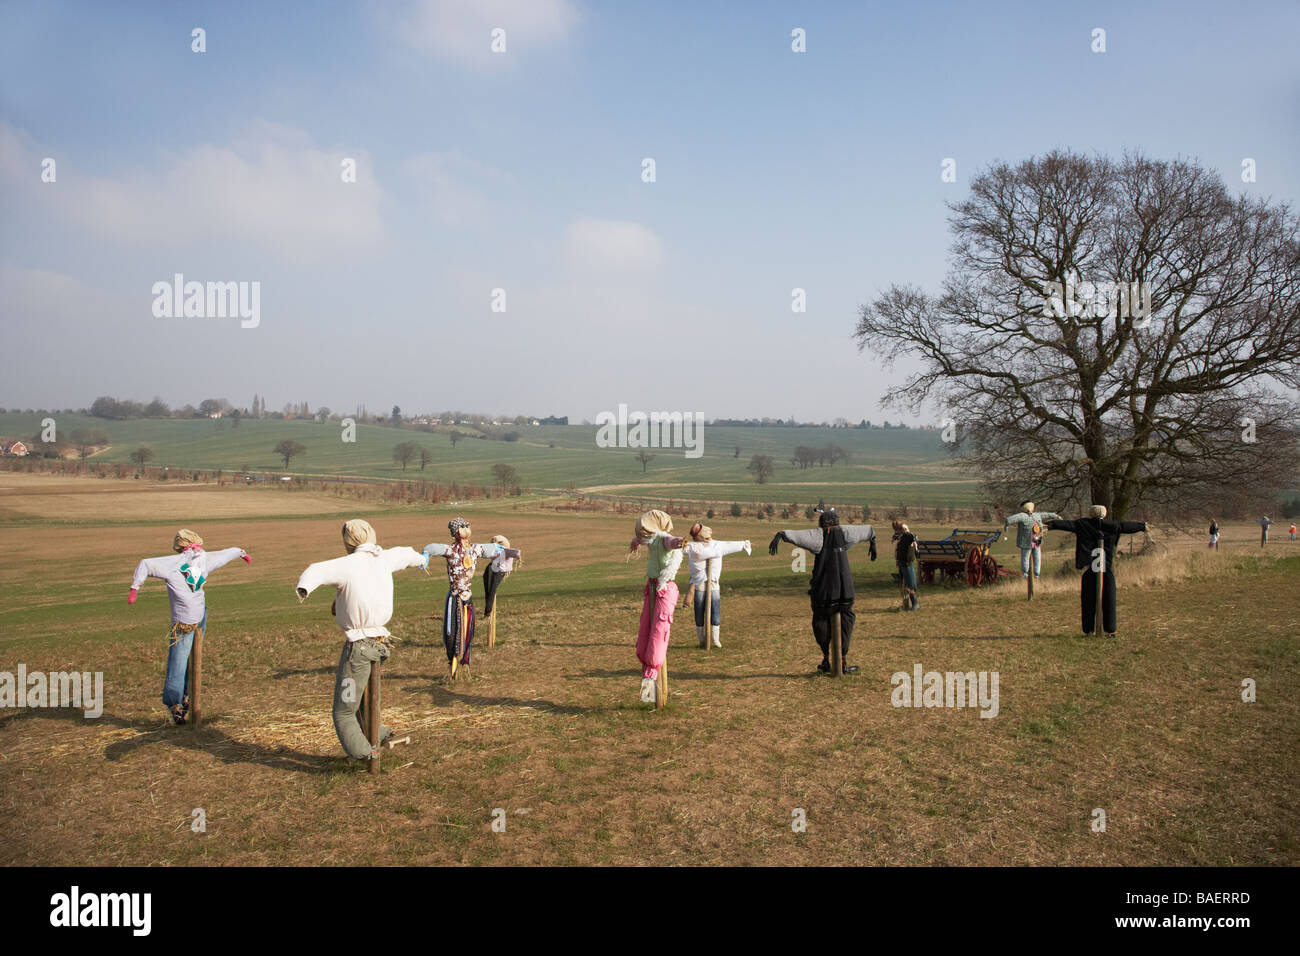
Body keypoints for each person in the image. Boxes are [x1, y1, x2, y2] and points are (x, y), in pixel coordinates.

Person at [295, 519, 428, 760]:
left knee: (343, 710)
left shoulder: (347, 564)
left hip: (359, 647)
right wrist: (421, 560)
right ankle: (380, 733)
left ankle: (365, 754)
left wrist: (304, 588)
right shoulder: (383, 558)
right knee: (364, 697)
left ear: (348, 541)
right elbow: (405, 554)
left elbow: (316, 570)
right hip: (381, 644)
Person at [128, 529, 250, 725]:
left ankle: (181, 700)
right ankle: (179, 700)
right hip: (191, 618)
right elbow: (225, 554)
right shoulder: (197, 560)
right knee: (183, 659)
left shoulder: (186, 561)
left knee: (185, 659)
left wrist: (135, 587)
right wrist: (241, 553)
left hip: (192, 617)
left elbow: (146, 564)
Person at [769, 509, 877, 673]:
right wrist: (873, 541)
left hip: (824, 593)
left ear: (823, 525)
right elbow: (868, 530)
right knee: (847, 619)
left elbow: (798, 536)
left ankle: (827, 657)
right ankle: (841, 660)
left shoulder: (819, 536)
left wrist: (781, 535)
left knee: (820, 620)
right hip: (845, 592)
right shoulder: (845, 532)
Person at [423, 519, 521, 680]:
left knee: (468, 632)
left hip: (467, 599)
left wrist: (510, 553)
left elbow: (495, 549)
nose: (465, 530)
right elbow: (433, 548)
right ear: (456, 532)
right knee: (452, 633)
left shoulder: (475, 549)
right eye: (462, 528)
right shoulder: (451, 550)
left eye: (466, 527)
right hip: (455, 598)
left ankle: (464, 666)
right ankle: (453, 666)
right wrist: (426, 554)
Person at [1045, 506, 1150, 639]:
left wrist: (1049, 525)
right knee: (1109, 600)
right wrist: (1142, 526)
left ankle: (1088, 630)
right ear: (1105, 514)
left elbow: (1067, 524)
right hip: (1106, 570)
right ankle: (1110, 630)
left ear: (1091, 513)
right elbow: (1126, 526)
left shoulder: (1083, 524)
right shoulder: (1113, 525)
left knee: (1088, 600)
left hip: (1090, 569)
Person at [628, 510, 686, 703]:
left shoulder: (664, 540)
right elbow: (640, 539)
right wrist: (634, 543)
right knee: (644, 631)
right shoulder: (651, 540)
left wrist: (679, 542)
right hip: (651, 588)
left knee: (658, 633)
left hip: (665, 588)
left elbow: (672, 542)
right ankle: (649, 686)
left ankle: (650, 679)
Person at [682, 523, 751, 648]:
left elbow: (733, 545)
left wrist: (744, 544)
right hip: (699, 582)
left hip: (713, 582)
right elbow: (679, 547)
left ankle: (715, 638)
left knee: (715, 609)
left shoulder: (717, 545)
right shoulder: (693, 547)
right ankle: (702, 639)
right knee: (699, 610)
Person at [1004, 500, 1060, 579]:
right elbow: (1009, 520)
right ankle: (1026, 572)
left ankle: (1036, 574)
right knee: (1026, 558)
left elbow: (1046, 514)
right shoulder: (1022, 516)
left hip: (1037, 541)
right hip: (1027, 542)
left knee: (1036, 558)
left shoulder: (1036, 515)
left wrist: (1055, 515)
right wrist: (1006, 525)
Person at [892, 520, 920, 611]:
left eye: (898, 529)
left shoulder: (908, 536)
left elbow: (914, 536)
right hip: (901, 564)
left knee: (911, 584)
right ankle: (906, 605)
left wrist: (908, 533)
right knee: (903, 585)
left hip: (907, 564)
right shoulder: (900, 537)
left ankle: (915, 604)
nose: (896, 531)